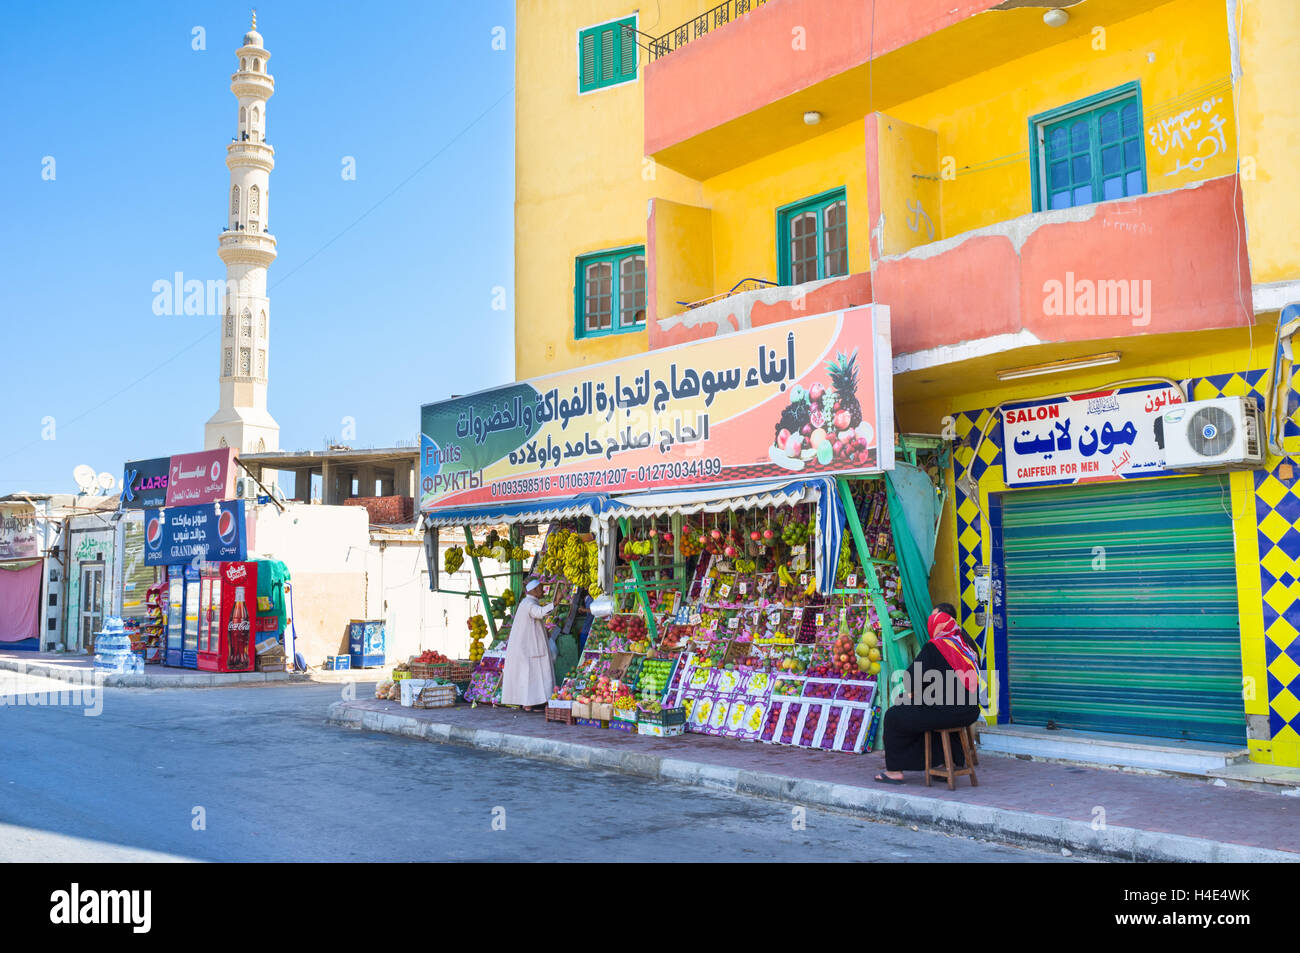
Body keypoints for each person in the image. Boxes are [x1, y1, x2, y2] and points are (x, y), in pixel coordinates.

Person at [875, 603, 983, 784]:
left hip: (948, 712)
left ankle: (894, 771)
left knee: (894, 715)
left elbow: (910, 678)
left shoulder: (936, 646)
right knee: (934, 709)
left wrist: (917, 693)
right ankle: (947, 761)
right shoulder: (966, 644)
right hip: (970, 710)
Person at [500, 578, 556, 712]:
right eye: (540, 588)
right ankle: (535, 703)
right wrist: (555, 603)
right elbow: (540, 613)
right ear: (534, 590)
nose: (543, 591)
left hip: (527, 648)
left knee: (527, 677)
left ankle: (527, 704)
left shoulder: (526, 603)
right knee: (535, 675)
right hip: (531, 649)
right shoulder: (529, 604)